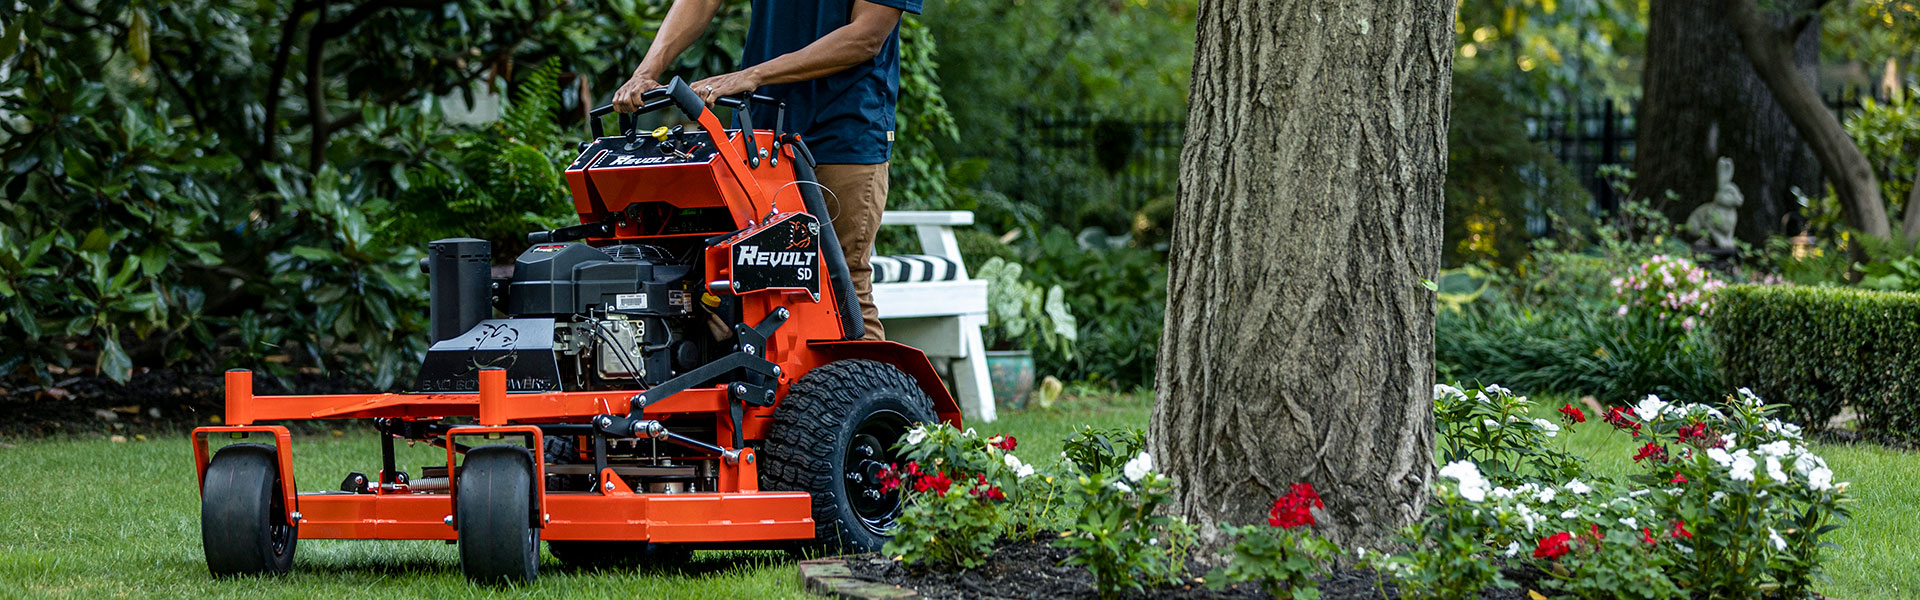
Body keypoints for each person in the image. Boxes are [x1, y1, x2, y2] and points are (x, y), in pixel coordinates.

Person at [611, 0, 921, 341]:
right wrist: (646, 72)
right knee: (736, 286)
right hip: (757, 136)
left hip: (841, 135)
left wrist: (751, 75)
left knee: (842, 289)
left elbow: (866, 37)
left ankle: (864, 377)